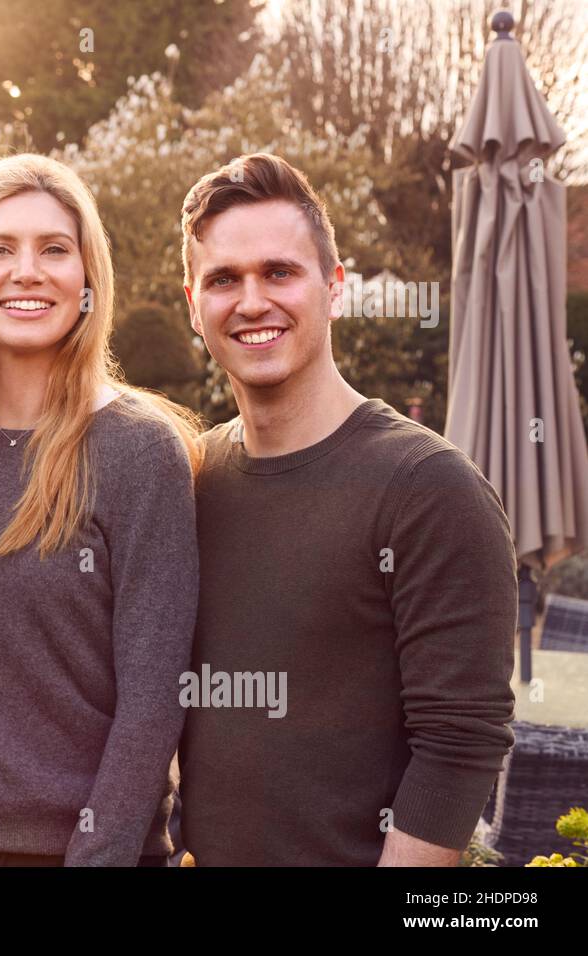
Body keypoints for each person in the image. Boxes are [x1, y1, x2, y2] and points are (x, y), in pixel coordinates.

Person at [176, 153, 516, 866]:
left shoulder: (429, 488)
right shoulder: (192, 479)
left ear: (333, 288)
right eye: (223, 279)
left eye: (279, 272)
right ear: (193, 304)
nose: (251, 301)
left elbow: (459, 745)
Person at [0, 153, 201, 867]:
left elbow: (155, 700)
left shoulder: (138, 449)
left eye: (55, 249)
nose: (27, 270)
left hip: (95, 853)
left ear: (88, 279)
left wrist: (99, 854)